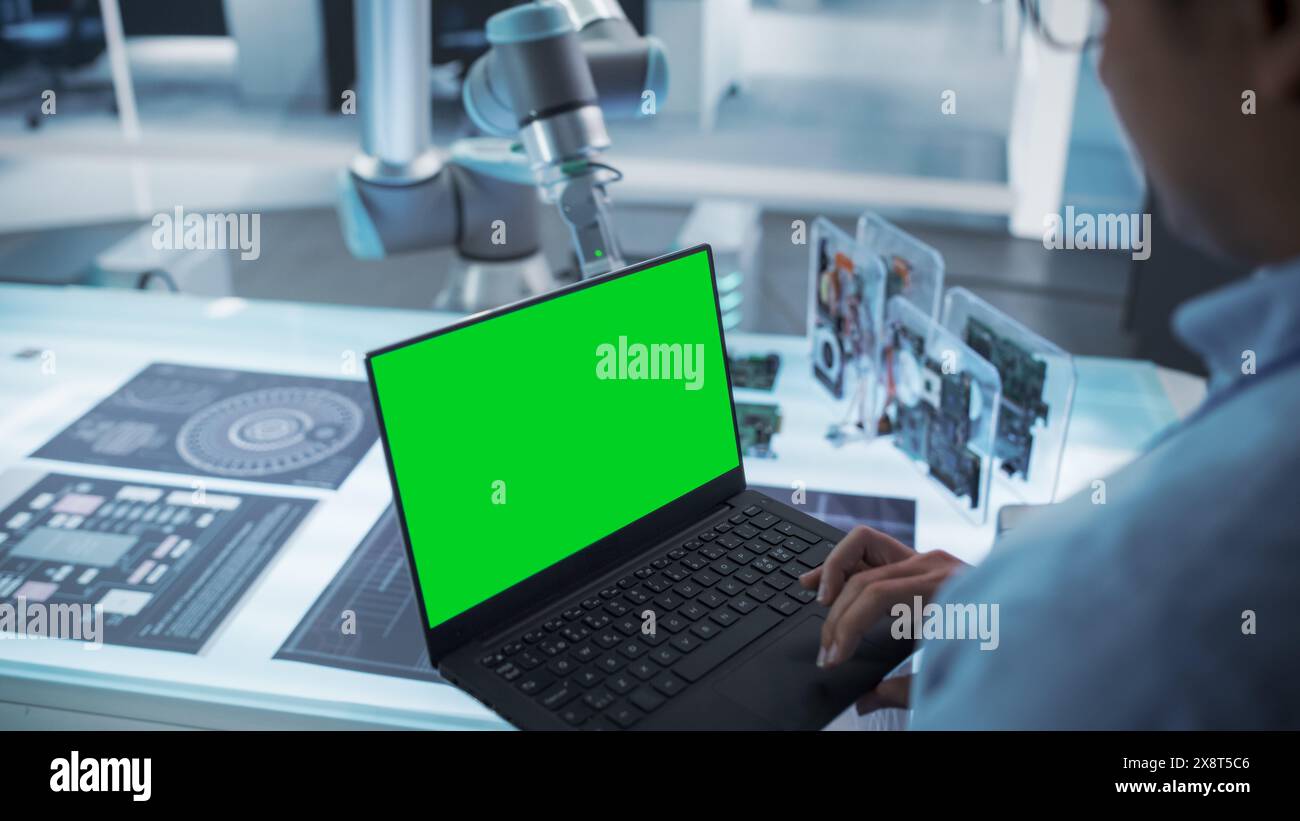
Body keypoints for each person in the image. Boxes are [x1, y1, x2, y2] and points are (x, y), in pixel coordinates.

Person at [800, 0, 1300, 728]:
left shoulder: (1157, 588)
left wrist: (1043, 626)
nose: (1102, 65)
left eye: (1104, 19)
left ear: (1273, 24)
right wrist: (1016, 603)